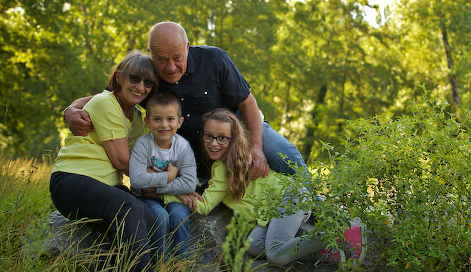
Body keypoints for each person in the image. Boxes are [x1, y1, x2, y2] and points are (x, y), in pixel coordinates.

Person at [63, 21, 307, 188]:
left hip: (239, 127)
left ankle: (320, 208)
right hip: (196, 151)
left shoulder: (215, 59)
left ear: (187, 48)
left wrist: (255, 147)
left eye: (177, 58)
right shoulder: (145, 78)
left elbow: (248, 103)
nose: (170, 67)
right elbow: (102, 98)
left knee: (282, 154)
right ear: (151, 53)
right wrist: (70, 111)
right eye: (161, 59)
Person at [166, 108, 365, 267]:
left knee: (276, 254)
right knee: (253, 246)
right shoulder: (231, 160)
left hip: (290, 198)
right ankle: (326, 250)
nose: (214, 143)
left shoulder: (229, 165)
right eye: (208, 136)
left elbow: (204, 206)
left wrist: (171, 194)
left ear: (234, 138)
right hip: (272, 211)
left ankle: (341, 232)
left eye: (222, 138)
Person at [49, 50, 168, 272]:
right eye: (135, 78)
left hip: (103, 187)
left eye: (147, 83)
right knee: (131, 208)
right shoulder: (106, 104)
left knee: (147, 218)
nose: (140, 87)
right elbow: (122, 161)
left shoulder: (136, 117)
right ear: (119, 78)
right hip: (72, 180)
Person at [129, 92, 196, 262]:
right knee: (160, 217)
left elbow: (189, 184)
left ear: (179, 122)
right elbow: (136, 180)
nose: (164, 125)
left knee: (179, 216)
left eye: (170, 119)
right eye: (157, 119)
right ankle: (161, 266)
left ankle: (181, 266)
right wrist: (169, 175)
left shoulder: (182, 146)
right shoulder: (143, 145)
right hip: (144, 199)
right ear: (147, 121)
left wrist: (155, 187)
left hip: (171, 197)